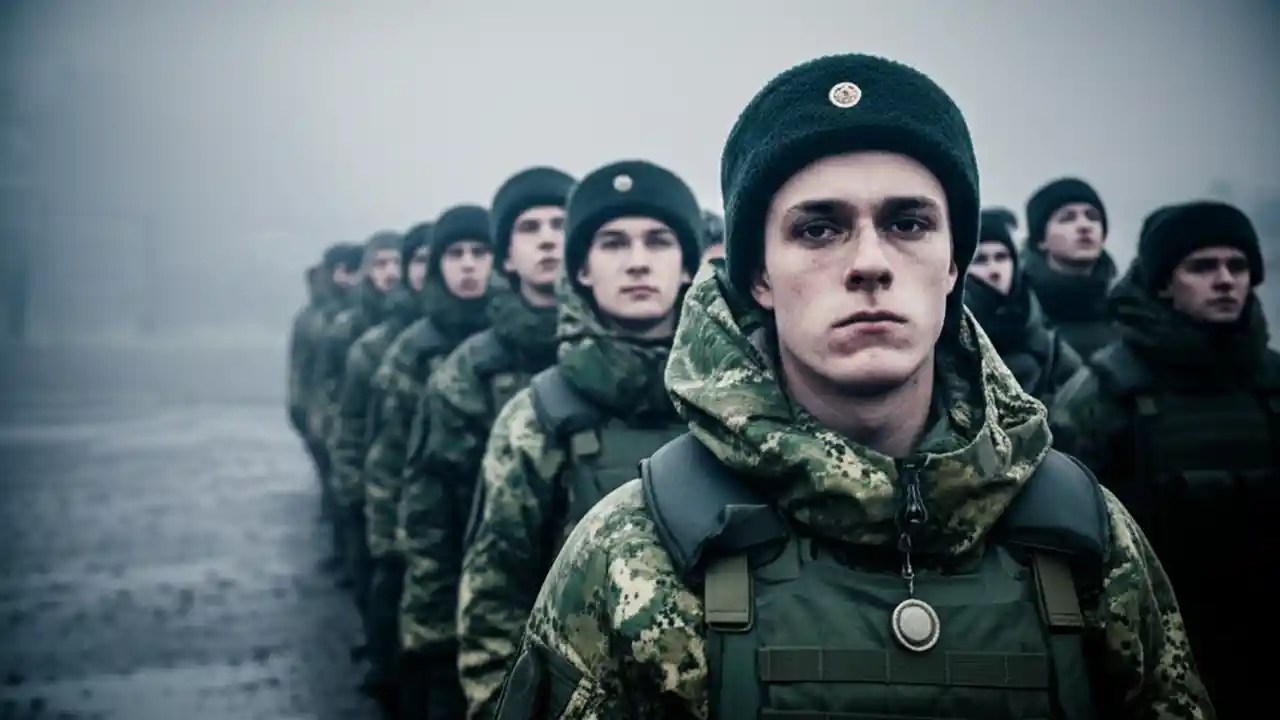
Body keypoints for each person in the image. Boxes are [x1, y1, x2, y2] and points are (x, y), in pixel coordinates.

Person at [496, 53, 1212, 720]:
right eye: (818, 229)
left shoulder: (1084, 536)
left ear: (953, 263)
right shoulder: (634, 549)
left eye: (909, 223)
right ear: (758, 275)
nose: (870, 262)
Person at [457, 160, 702, 720]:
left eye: (658, 241)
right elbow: (494, 599)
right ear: (583, 270)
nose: (637, 261)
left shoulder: (740, 408)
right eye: (613, 243)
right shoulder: (538, 418)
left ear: (688, 265)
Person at [1051, 200, 1277, 718]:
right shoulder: (1106, 392)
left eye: (1238, 265)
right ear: (1162, 284)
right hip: (1155, 649)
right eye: (1202, 267)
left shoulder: (1272, 384)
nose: (1225, 280)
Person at [398, 167, 574, 719]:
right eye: (530, 228)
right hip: (498, 619)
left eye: (560, 224)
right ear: (507, 257)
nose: (547, 240)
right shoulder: (467, 373)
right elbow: (432, 515)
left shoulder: (647, 356)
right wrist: (433, 637)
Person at [363, 208, 494, 711]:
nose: (469, 265)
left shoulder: (528, 345)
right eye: (456, 254)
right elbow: (390, 457)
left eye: (479, 252)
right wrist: (389, 548)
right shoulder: (413, 352)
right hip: (434, 537)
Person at [965, 208, 1082, 403]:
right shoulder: (940, 342)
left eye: (1002, 257)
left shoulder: (1051, 350)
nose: (994, 270)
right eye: (980, 260)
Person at [1021, 178, 1117, 360]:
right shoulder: (1019, 309)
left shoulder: (1127, 308)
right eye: (1067, 218)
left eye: (1093, 217)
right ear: (1041, 240)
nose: (1084, 226)